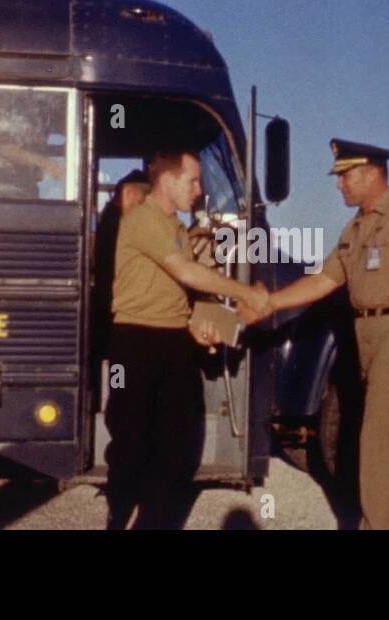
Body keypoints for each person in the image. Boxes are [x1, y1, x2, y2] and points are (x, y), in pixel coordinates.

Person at [240, 139, 389, 530]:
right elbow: (323, 280)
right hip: (371, 338)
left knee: (378, 448)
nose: (339, 185)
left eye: (345, 175)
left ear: (371, 172)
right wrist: (270, 303)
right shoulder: (356, 228)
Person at [104, 149, 270, 530]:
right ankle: (117, 519)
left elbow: (178, 289)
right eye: (193, 180)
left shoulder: (177, 228)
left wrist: (198, 324)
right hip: (135, 341)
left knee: (178, 446)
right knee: (131, 441)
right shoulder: (144, 219)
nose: (198, 190)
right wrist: (247, 294)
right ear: (167, 180)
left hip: (174, 341)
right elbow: (187, 272)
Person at [88, 169, 151, 398]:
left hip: (110, 305)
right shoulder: (118, 224)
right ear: (130, 194)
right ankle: (119, 396)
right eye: (143, 200)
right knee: (119, 364)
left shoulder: (110, 220)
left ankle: (116, 395)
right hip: (115, 308)